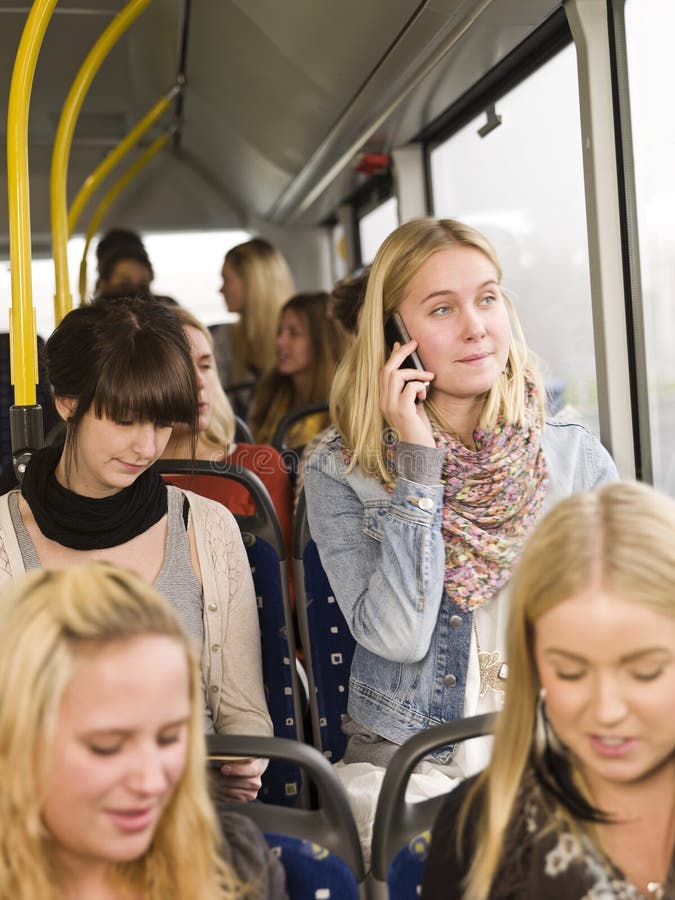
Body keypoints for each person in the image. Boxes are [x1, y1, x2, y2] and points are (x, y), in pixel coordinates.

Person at [303, 218, 618, 854]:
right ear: (395, 337)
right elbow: (397, 635)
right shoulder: (339, 470)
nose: (476, 327)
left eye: (488, 297)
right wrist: (419, 469)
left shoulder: (574, 459)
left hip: (553, 745)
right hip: (412, 760)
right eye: (442, 308)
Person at [0, 296, 272, 800]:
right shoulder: (5, 541)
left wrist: (245, 755)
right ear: (67, 402)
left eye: (162, 422)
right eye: (125, 421)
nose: (147, 448)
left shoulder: (207, 528)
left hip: (190, 810)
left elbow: (242, 709)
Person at [422, 481, 675, 900]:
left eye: (644, 672)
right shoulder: (476, 827)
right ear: (535, 667)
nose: (607, 710)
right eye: (571, 672)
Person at [0, 562, 287, 899]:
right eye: (107, 746)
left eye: (169, 739)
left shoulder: (235, 864)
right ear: (17, 739)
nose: (151, 783)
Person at [162, 306, 294, 558]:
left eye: (206, 366)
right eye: (180, 370)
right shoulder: (124, 477)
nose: (199, 381)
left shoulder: (259, 467)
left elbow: (288, 585)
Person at [249, 291, 350, 451]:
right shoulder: (269, 393)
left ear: (322, 342)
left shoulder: (344, 405)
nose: (279, 341)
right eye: (280, 332)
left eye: (293, 333)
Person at [214, 237, 295, 409]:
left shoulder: (299, 337)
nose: (220, 290)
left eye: (226, 279)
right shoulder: (225, 339)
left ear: (252, 282)